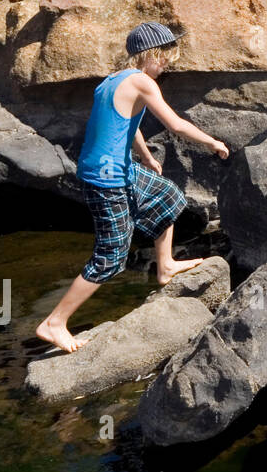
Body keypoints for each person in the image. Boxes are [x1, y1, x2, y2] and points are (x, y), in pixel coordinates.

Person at [35, 22, 229, 354]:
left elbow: (125, 123)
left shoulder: (113, 80)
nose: (168, 62)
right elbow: (175, 124)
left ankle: (164, 265)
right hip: (105, 177)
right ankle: (53, 322)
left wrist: (145, 157)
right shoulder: (141, 81)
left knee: (168, 195)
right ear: (149, 54)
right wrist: (212, 142)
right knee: (111, 257)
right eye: (165, 55)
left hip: (116, 167)